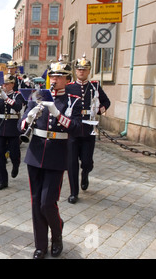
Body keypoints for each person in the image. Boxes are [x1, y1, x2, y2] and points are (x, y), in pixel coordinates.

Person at [19, 57, 82, 259]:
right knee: (36, 202)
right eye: (52, 75)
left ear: (67, 79)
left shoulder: (73, 101)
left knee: (47, 203)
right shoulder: (37, 96)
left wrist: (56, 112)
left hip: (57, 155)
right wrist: (28, 118)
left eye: (60, 76)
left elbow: (77, 129)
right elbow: (20, 125)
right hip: (35, 154)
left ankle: (57, 233)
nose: (55, 79)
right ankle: (40, 246)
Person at [66, 55, 111, 204]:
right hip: (73, 128)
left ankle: (85, 174)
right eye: (79, 69)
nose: (81, 72)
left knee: (86, 162)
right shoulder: (69, 87)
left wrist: (99, 110)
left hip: (88, 129)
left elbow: (106, 102)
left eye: (84, 69)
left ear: (89, 71)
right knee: (72, 163)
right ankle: (74, 192)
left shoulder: (94, 86)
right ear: (75, 71)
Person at [0, 74, 26, 190]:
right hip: (0, 126)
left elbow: (18, 107)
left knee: (14, 153)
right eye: (3, 84)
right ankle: (2, 181)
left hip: (13, 127)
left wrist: (6, 98)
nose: (4, 86)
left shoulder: (17, 95)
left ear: (12, 84)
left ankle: (16, 165)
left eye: (7, 84)